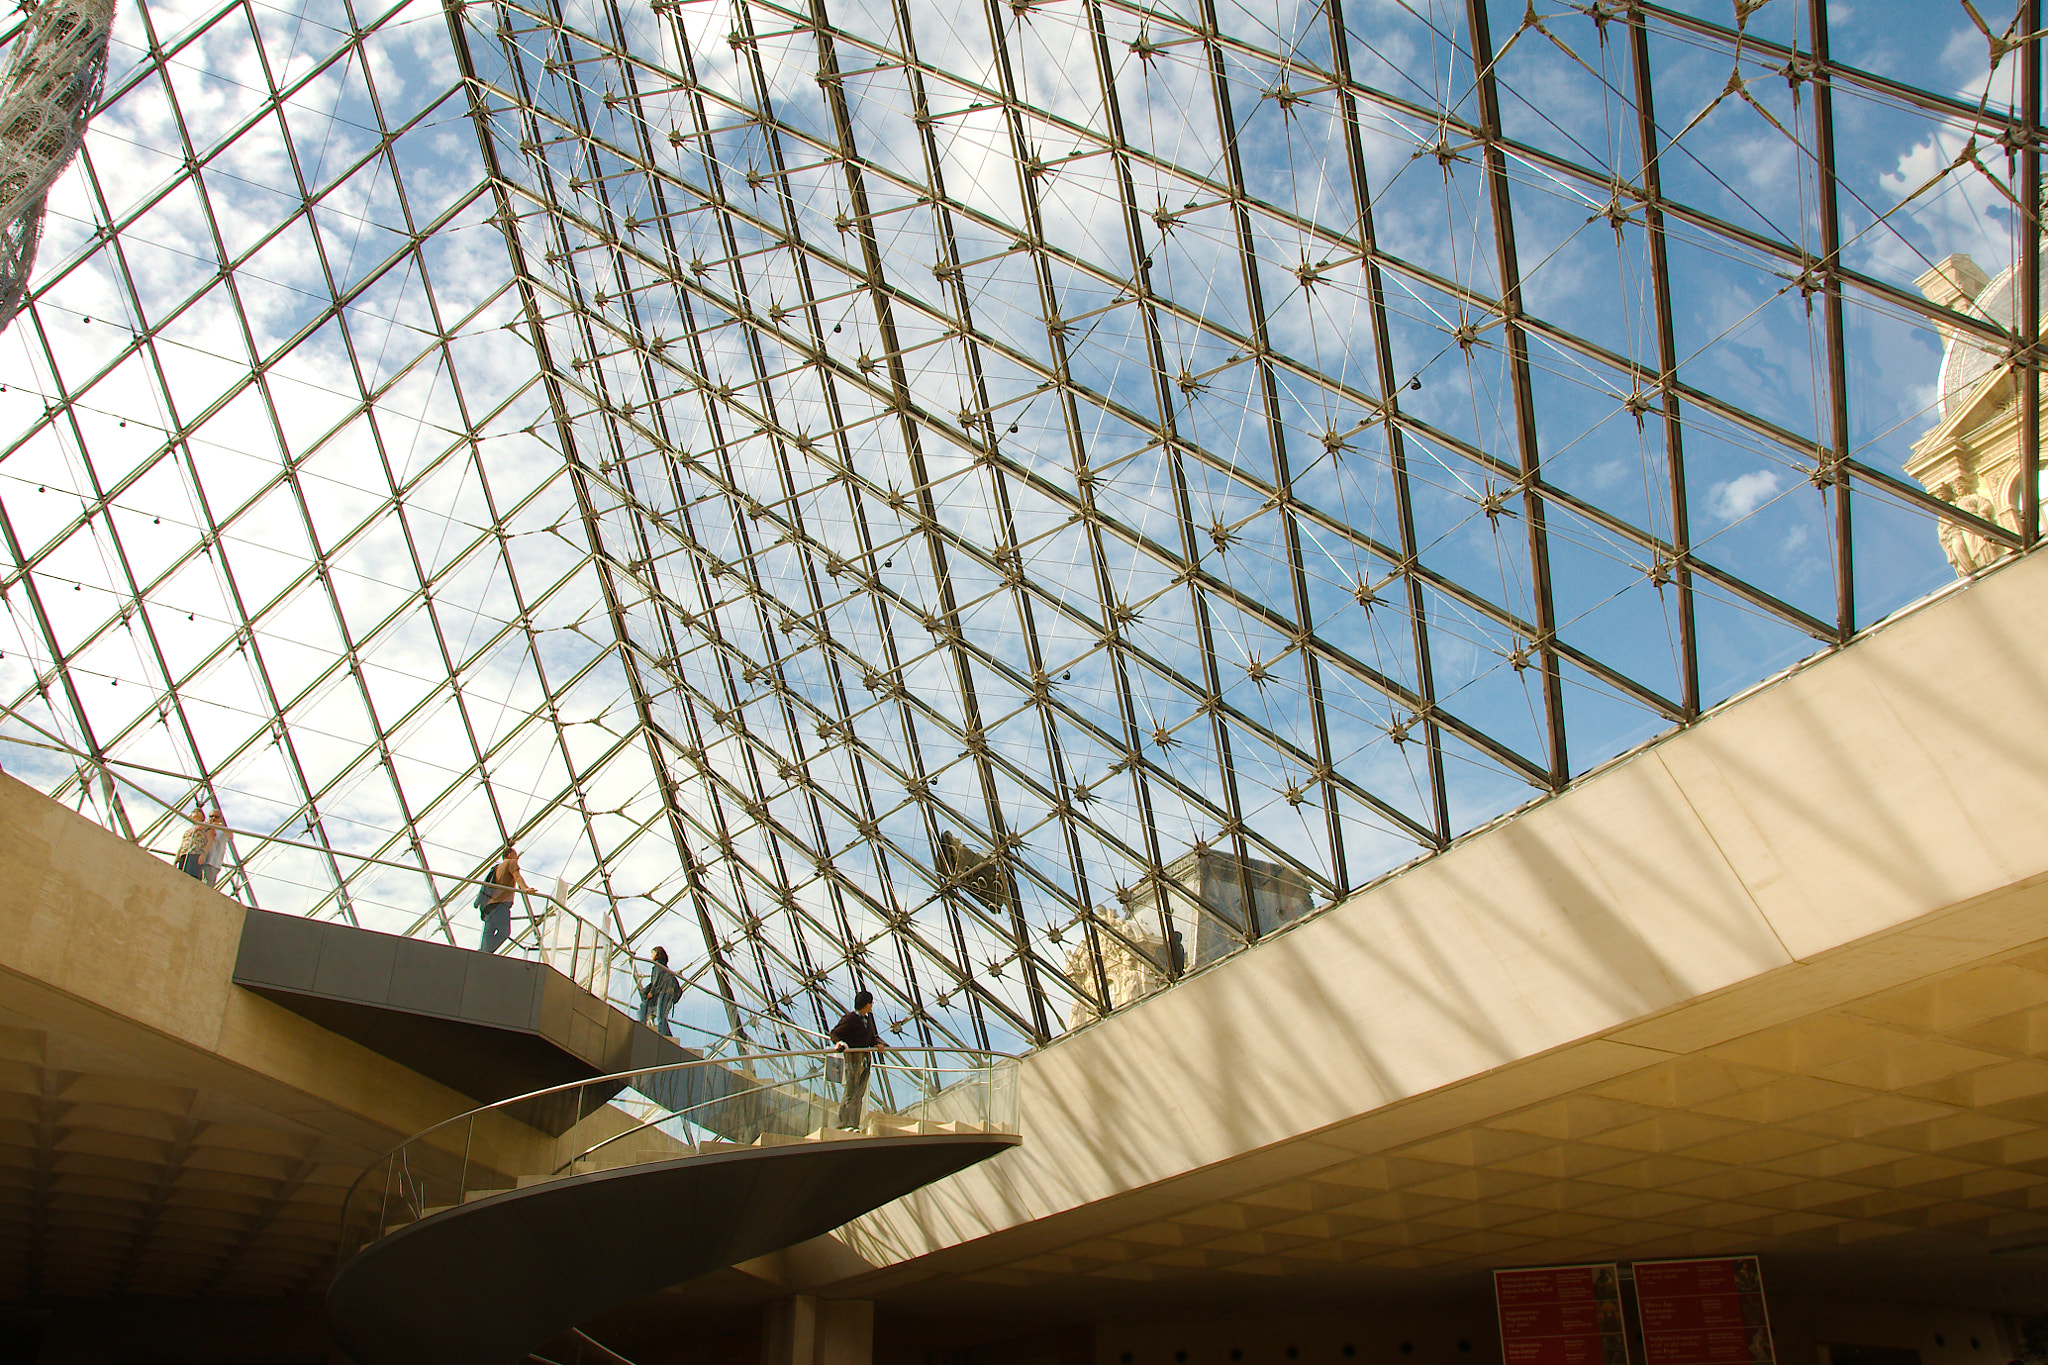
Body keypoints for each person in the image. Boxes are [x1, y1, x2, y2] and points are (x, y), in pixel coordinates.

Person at [829, 989, 886, 1130]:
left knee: (859, 1094)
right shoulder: (850, 1019)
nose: (871, 1005)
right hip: (853, 1060)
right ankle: (843, 1124)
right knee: (850, 1092)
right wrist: (838, 1043)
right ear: (866, 1004)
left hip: (865, 1060)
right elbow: (835, 1033)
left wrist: (876, 1044)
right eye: (870, 1003)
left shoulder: (868, 1020)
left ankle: (853, 1124)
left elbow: (870, 1037)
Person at [476, 845, 532, 954]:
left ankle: (483, 951)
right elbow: (517, 876)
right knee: (504, 932)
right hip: (501, 904)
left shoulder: (497, 868)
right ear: (509, 855)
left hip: (488, 905)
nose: (517, 858)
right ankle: (486, 952)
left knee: (488, 933)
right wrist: (525, 888)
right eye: (516, 855)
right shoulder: (511, 862)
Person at [638, 946, 681, 1036]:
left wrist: (651, 992)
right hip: (669, 992)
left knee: (660, 1016)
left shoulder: (657, 966)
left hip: (664, 992)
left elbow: (656, 981)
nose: (651, 955)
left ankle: (663, 1035)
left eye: (652, 953)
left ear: (657, 954)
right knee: (662, 1016)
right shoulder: (665, 968)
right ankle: (666, 1035)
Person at [173, 803, 209, 879]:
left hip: (196, 854)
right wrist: (177, 858)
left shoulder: (206, 827)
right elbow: (183, 844)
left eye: (199, 812)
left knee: (192, 876)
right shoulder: (188, 831)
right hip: (184, 854)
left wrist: (204, 854)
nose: (196, 812)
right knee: (181, 875)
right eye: (194, 811)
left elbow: (210, 841)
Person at [199, 807, 229, 888]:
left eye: (216, 817)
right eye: (211, 816)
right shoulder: (204, 827)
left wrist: (217, 826)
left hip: (212, 862)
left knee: (207, 886)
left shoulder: (223, 830)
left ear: (220, 819)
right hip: (200, 860)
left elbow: (230, 835)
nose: (213, 818)